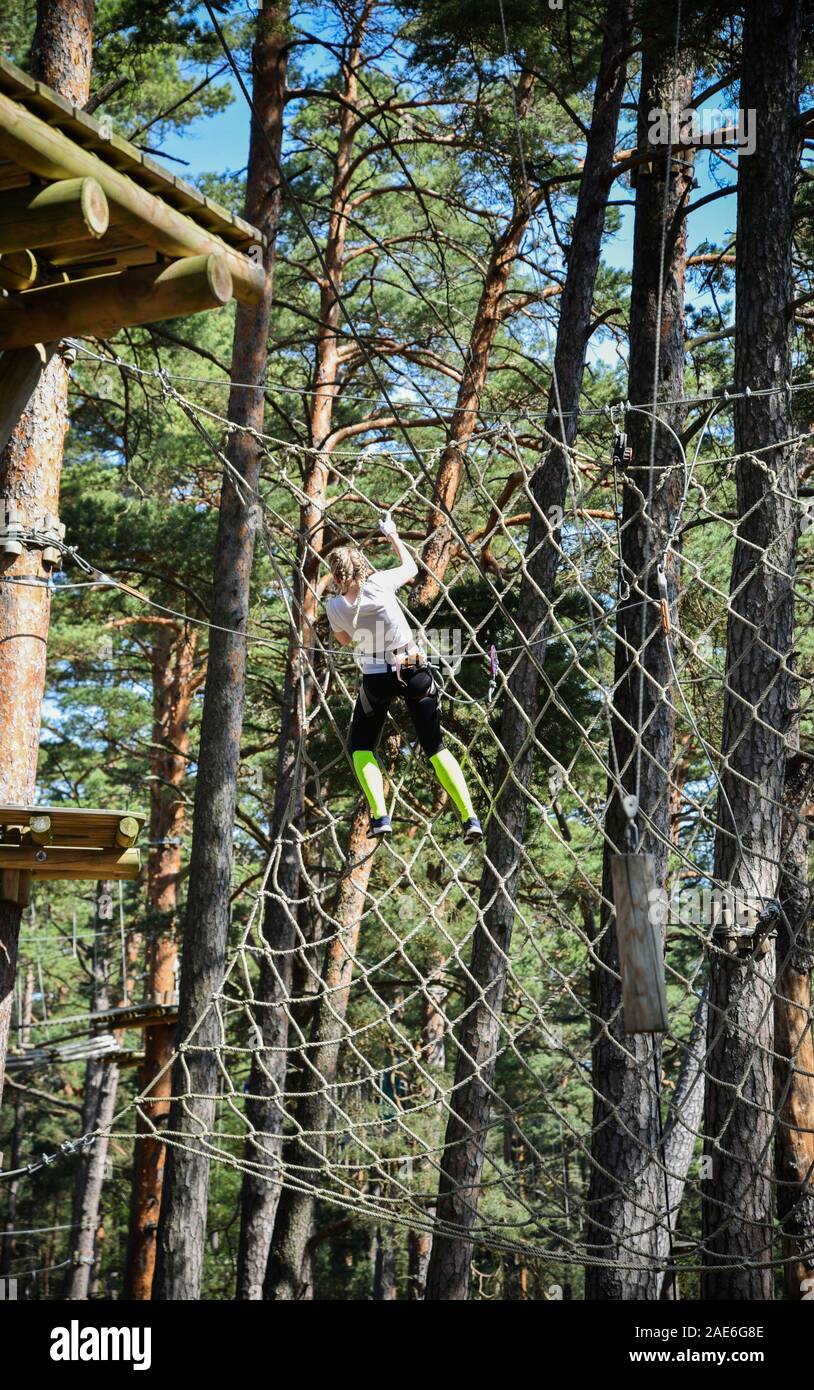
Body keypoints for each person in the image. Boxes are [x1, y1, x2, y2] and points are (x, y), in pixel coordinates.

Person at [325, 515, 482, 842]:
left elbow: (342, 640)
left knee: (361, 747)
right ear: (360, 565)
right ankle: (469, 818)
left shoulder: (335, 605)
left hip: (376, 680)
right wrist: (393, 534)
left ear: (337, 575)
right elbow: (412, 568)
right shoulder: (380, 583)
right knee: (435, 746)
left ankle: (380, 816)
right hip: (412, 670)